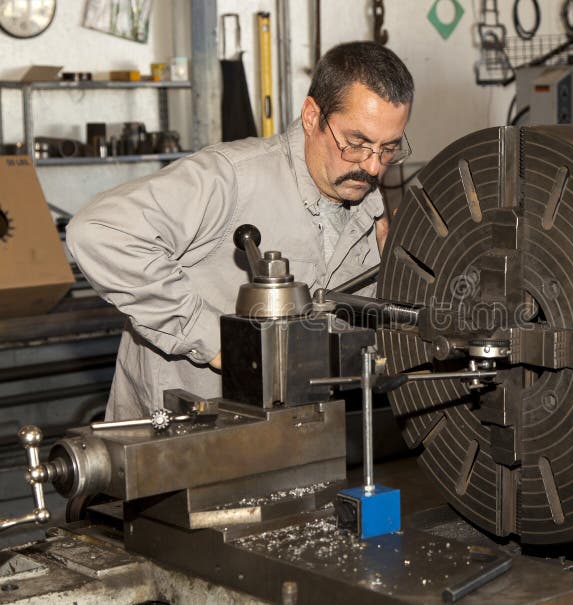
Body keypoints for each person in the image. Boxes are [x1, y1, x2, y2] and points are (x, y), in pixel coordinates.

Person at [67, 41, 414, 421]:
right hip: (180, 437)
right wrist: (219, 343)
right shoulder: (231, 178)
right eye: (356, 143)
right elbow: (98, 232)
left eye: (389, 149)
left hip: (293, 438)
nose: (373, 167)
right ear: (312, 116)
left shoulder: (371, 211)